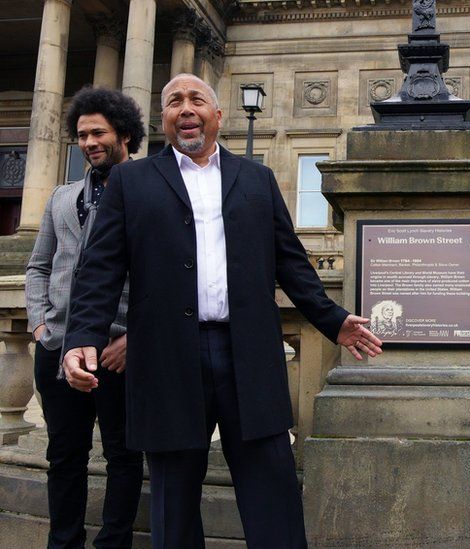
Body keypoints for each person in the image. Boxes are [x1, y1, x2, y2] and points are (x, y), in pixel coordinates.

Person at [59, 74, 383, 549]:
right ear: (164, 119)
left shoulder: (256, 178)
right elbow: (99, 270)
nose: (185, 108)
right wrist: (81, 336)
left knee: (272, 492)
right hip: (168, 359)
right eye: (174, 102)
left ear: (217, 116)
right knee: (173, 505)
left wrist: (333, 320)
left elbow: (291, 262)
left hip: (247, 356)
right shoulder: (132, 180)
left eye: (196, 100)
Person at [25, 87, 145, 549]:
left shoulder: (148, 190)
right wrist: (40, 325)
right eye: (82, 134)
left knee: (123, 456)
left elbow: (164, 278)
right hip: (56, 348)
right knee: (65, 456)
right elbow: (38, 266)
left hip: (116, 351)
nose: (90, 142)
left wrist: (133, 336)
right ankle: (64, 542)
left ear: (124, 134)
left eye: (99, 132)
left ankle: (114, 543)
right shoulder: (61, 195)